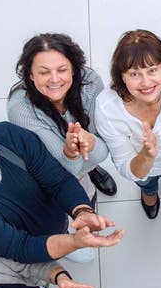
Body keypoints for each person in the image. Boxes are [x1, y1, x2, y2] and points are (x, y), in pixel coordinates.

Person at [0, 112, 124, 263]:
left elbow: (57, 180)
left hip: (59, 216)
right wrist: (72, 243)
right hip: (35, 244)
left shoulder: (9, 135)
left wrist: (81, 212)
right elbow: (20, 248)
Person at [95, 30, 161, 229]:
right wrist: (146, 155)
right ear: (122, 77)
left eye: (152, 70)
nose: (146, 83)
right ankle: (150, 193)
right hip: (141, 165)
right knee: (145, 183)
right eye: (135, 74)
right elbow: (126, 168)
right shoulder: (106, 108)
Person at [7, 32, 117, 198]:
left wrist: (90, 141)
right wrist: (70, 153)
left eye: (62, 70)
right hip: (60, 165)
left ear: (73, 69)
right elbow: (69, 168)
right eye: (44, 72)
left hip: (90, 154)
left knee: (91, 161)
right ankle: (88, 169)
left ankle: (92, 170)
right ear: (30, 75)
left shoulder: (91, 82)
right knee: (75, 173)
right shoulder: (20, 110)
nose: (54, 79)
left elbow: (103, 152)